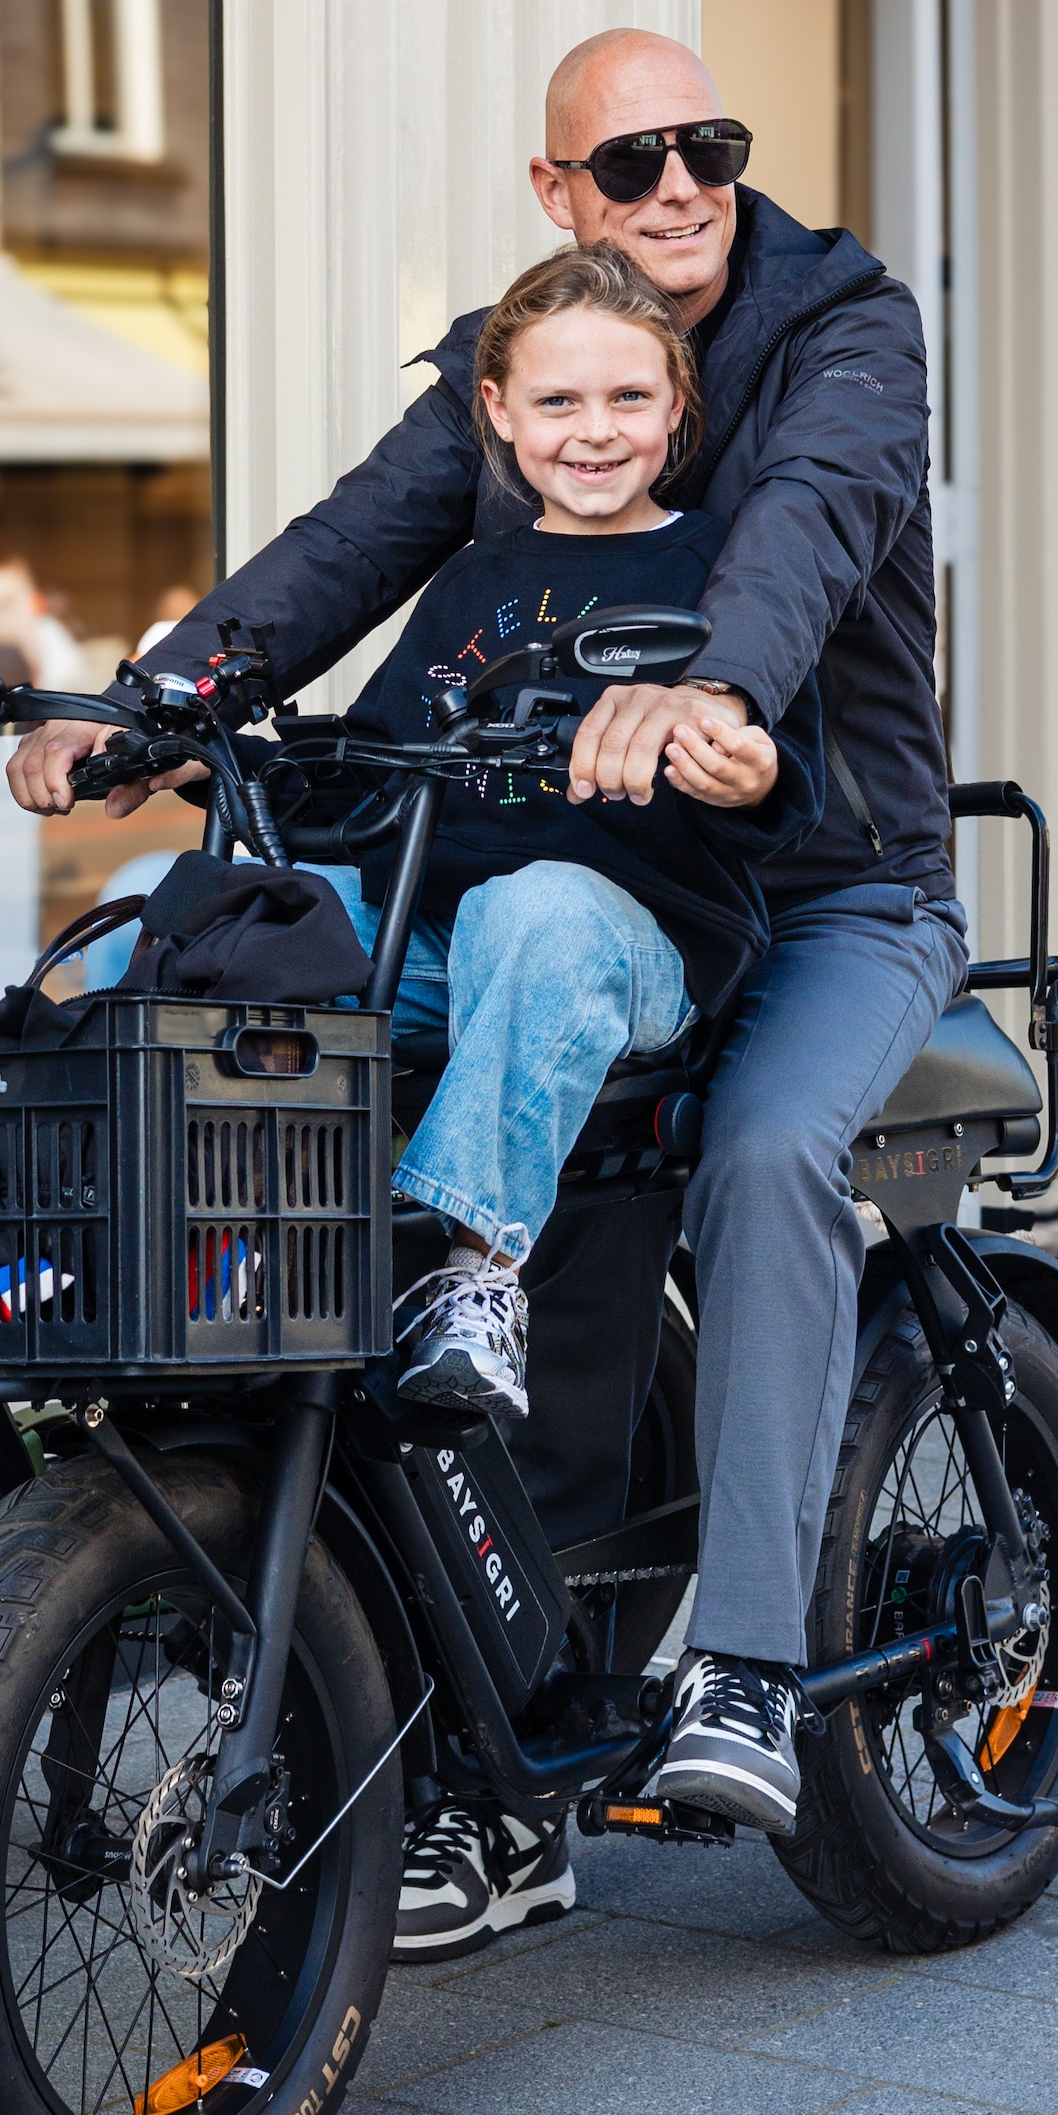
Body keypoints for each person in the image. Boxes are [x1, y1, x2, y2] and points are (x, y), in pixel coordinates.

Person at [10, 26, 963, 1891]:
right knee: (298, 986)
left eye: (713, 144)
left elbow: (803, 534)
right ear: (557, 192)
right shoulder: (511, 370)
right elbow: (343, 555)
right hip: (558, 867)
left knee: (761, 1156)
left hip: (825, 872)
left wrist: (711, 695)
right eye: (631, 161)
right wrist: (154, 710)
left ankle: (753, 1660)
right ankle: (467, 1713)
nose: (680, 182)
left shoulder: (849, 328)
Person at [312, 246, 818, 1422]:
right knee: (219, 901)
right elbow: (378, 762)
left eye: (627, 398)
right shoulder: (473, 575)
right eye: (557, 401)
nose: (593, 432)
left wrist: (746, 773)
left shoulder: (718, 567)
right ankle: (169, 1232)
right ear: (496, 411)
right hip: (440, 941)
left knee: (528, 905)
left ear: (676, 405)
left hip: (626, 947)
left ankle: (473, 1278)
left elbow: (792, 786)